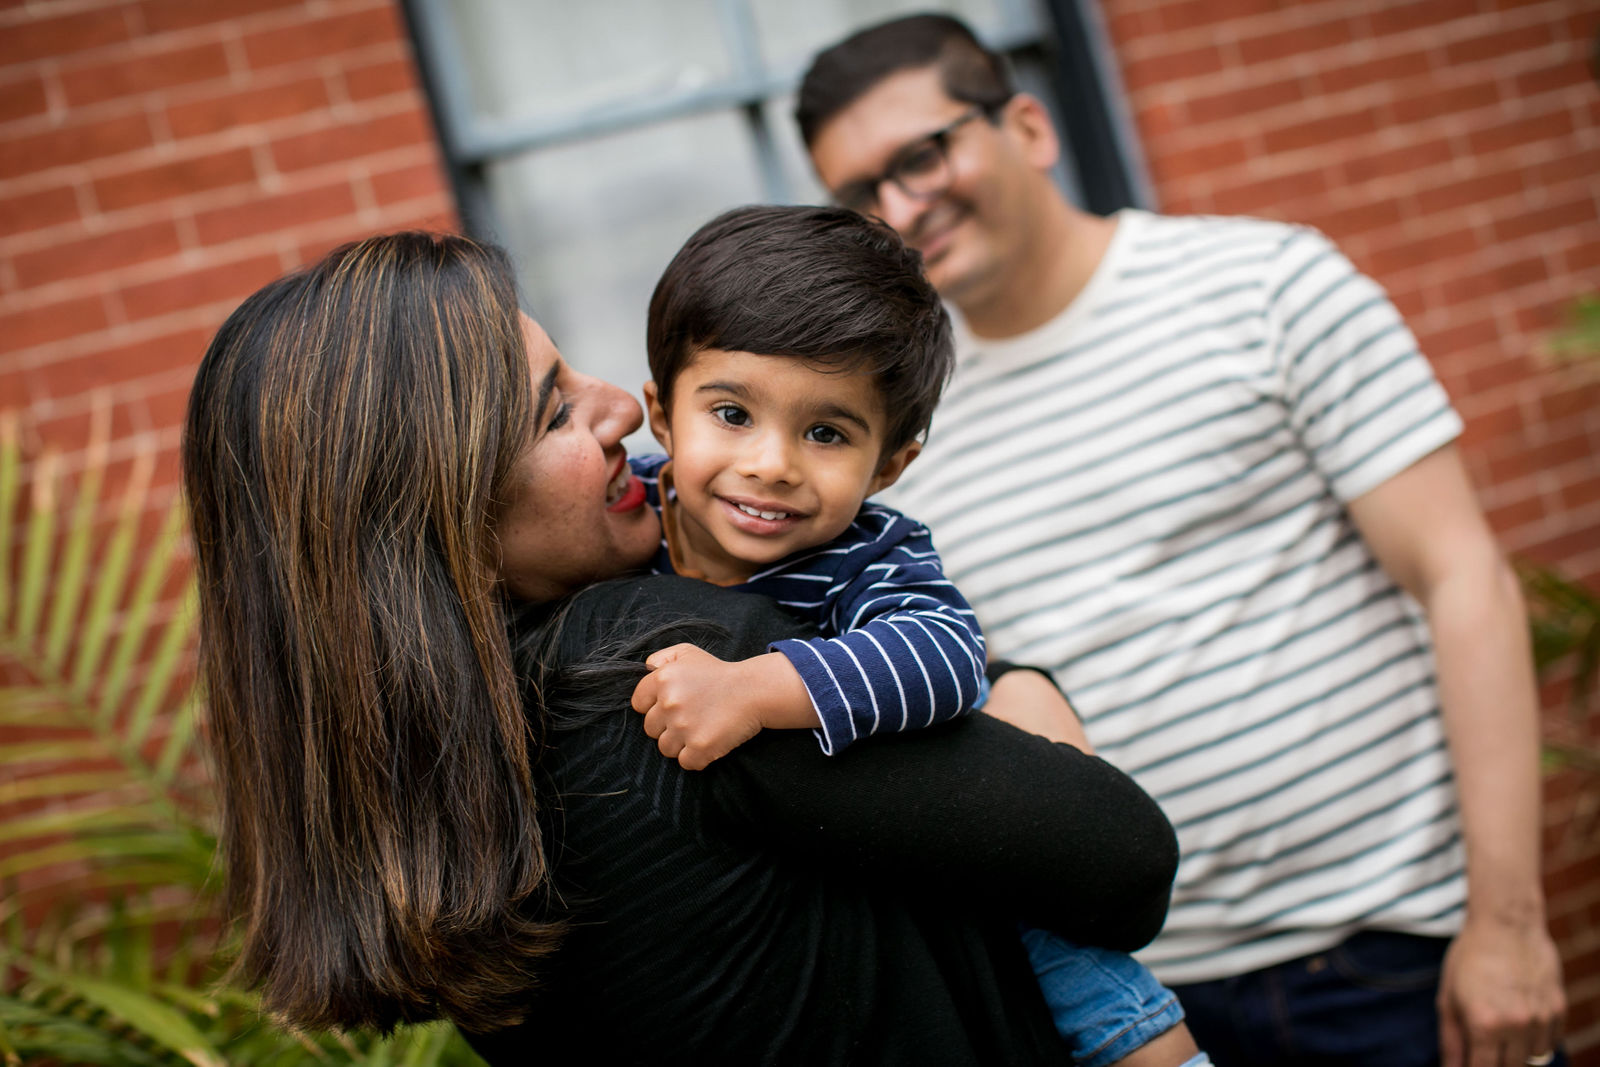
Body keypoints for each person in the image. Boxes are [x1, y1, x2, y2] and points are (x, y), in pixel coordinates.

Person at [181, 230, 1183, 1064]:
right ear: (433, 515)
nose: (620, 403)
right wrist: (1019, 685)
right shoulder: (671, 661)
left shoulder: (452, 775)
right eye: (554, 408)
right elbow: (1123, 857)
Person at [796, 13, 1565, 1066]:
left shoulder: (1263, 286)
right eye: (858, 193)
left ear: (1028, 125)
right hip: (1137, 1005)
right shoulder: (885, 433)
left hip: (1391, 955)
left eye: (921, 155)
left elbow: (1462, 576)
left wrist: (1509, 922)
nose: (898, 206)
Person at [626, 202, 1204, 1067]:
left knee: (1075, 967)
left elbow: (943, 655)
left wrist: (756, 689)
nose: (773, 462)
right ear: (663, 415)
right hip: (801, 933)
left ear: (891, 463)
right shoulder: (625, 521)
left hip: (953, 852)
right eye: (732, 414)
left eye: (826, 432)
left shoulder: (870, 554)